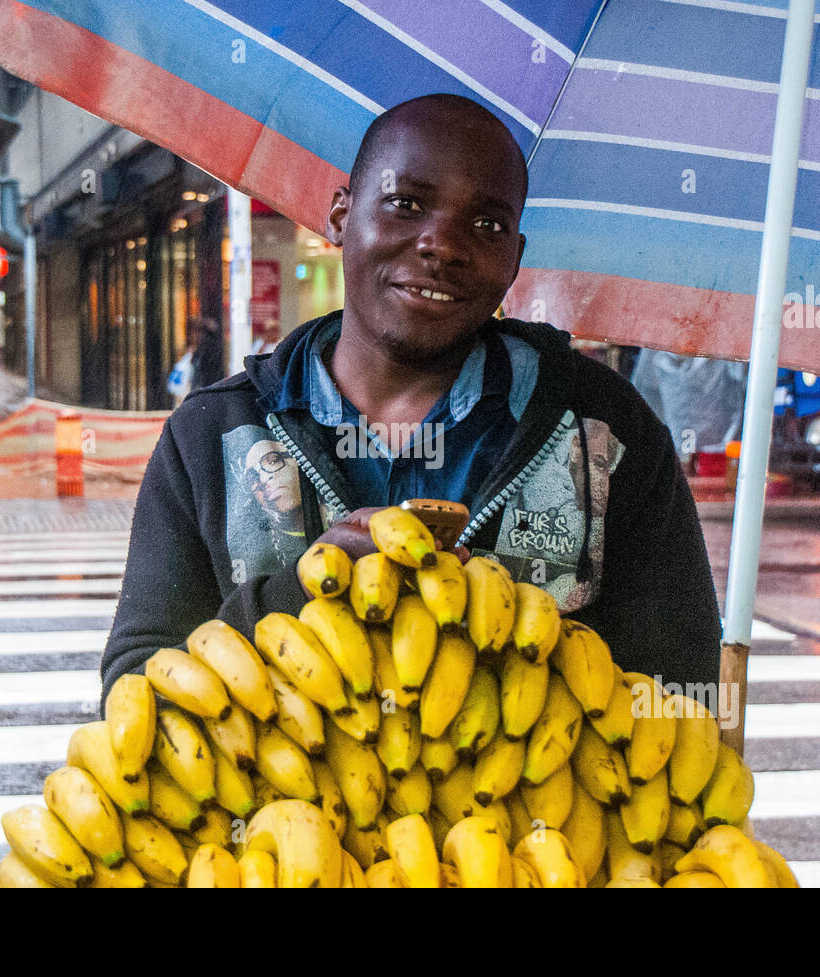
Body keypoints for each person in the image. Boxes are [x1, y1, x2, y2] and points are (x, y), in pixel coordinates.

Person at [102, 93, 722, 705]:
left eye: (487, 225)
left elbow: (678, 692)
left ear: (514, 259)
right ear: (342, 217)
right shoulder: (211, 435)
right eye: (406, 204)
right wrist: (301, 594)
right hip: (273, 805)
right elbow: (134, 691)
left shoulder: (605, 430)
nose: (443, 245)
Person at [189, 316, 225, 391]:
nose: (195, 336)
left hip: (205, 387)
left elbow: (201, 371)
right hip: (208, 387)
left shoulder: (206, 349)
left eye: (198, 332)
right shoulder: (203, 349)